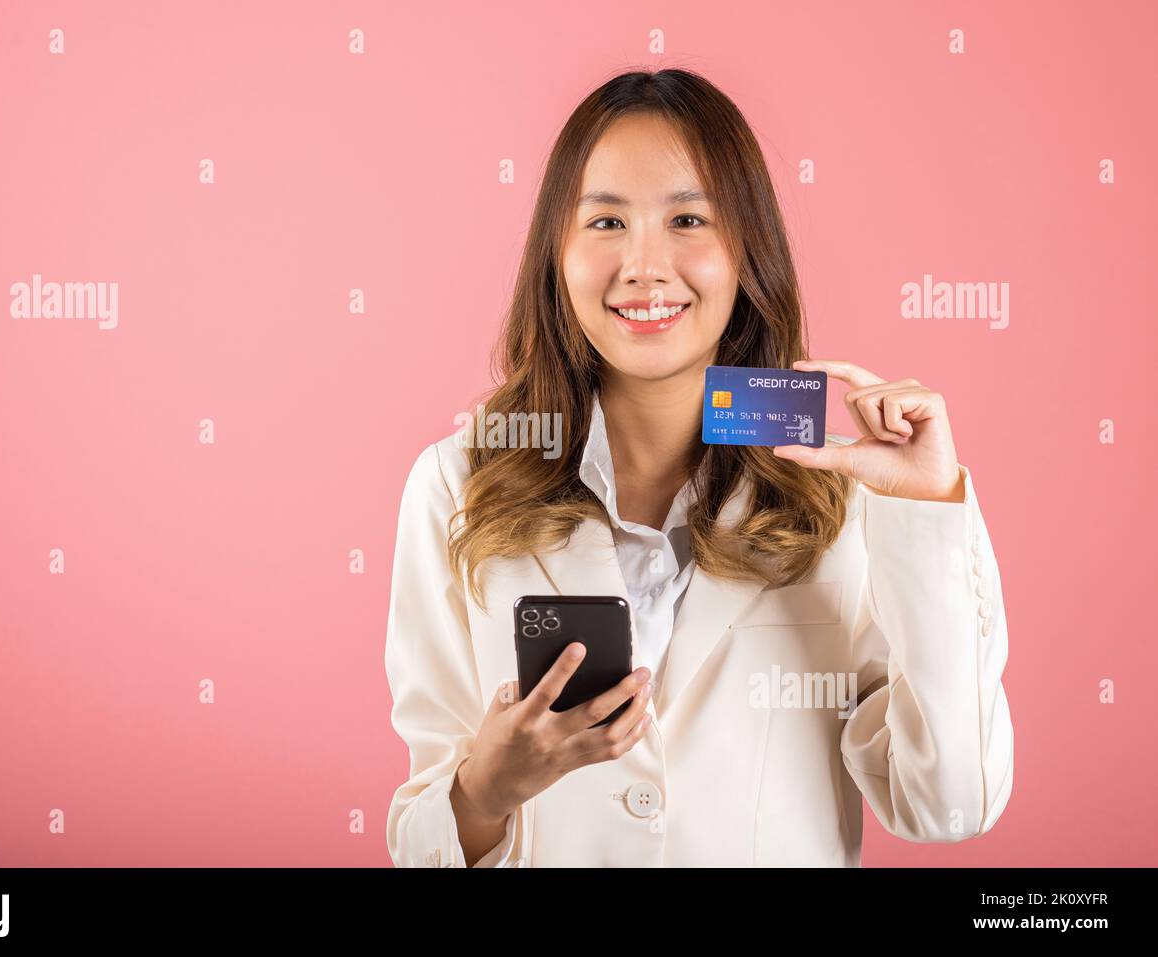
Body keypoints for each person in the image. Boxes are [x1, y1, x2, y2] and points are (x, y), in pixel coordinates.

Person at [383, 68, 1013, 867]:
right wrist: (487, 789)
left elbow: (948, 803)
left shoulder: (851, 494)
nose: (645, 266)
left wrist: (925, 515)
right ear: (556, 252)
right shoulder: (456, 485)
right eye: (606, 221)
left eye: (688, 218)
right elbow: (420, 845)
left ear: (748, 249)